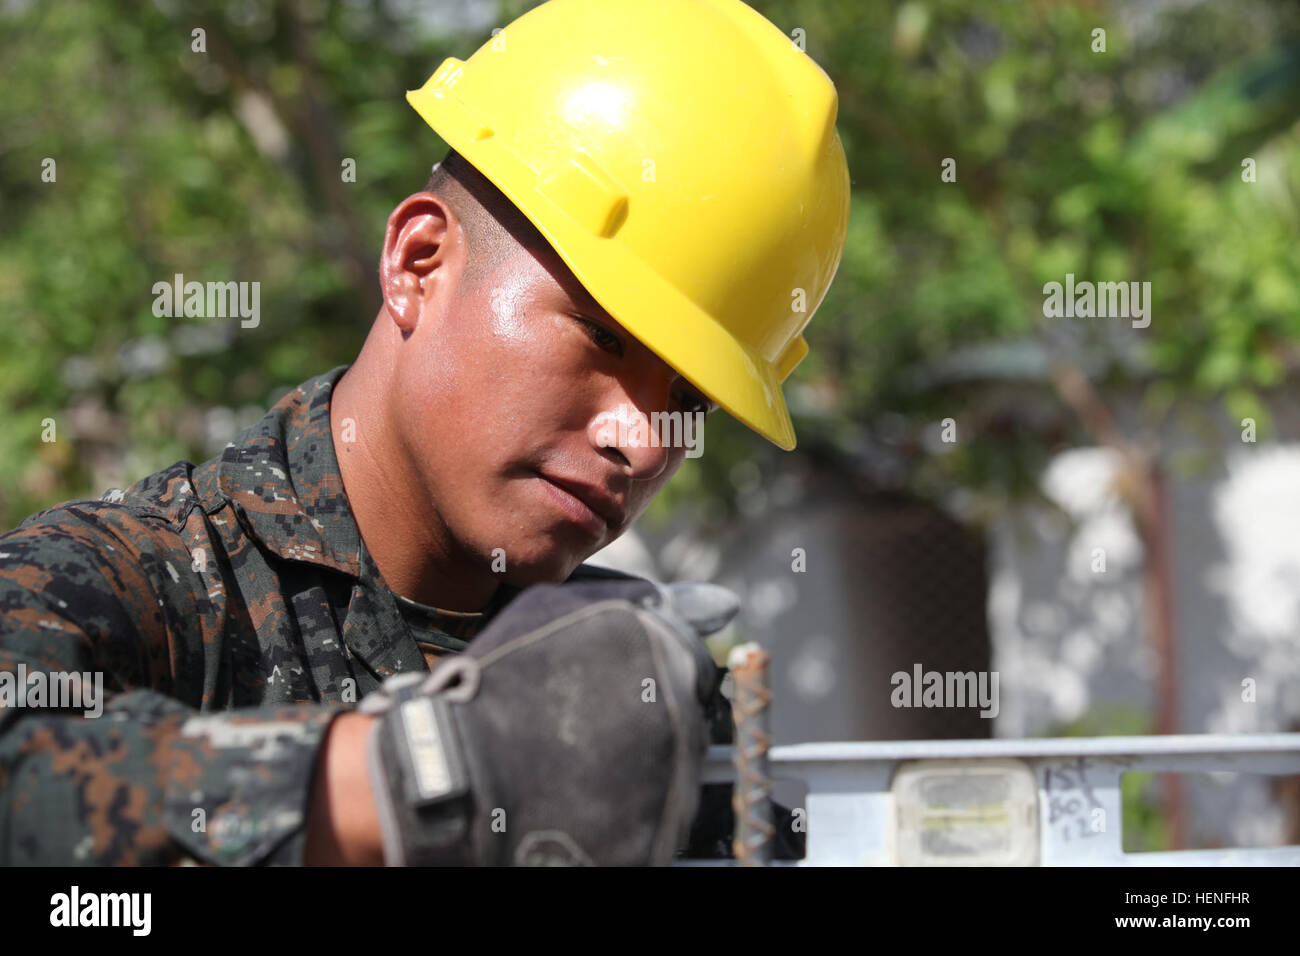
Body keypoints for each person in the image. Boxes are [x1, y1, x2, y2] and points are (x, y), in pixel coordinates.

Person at [0, 0, 849, 866]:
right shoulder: (141, 586)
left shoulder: (610, 682)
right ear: (419, 264)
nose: (645, 440)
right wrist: (415, 778)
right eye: (604, 336)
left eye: (690, 401)